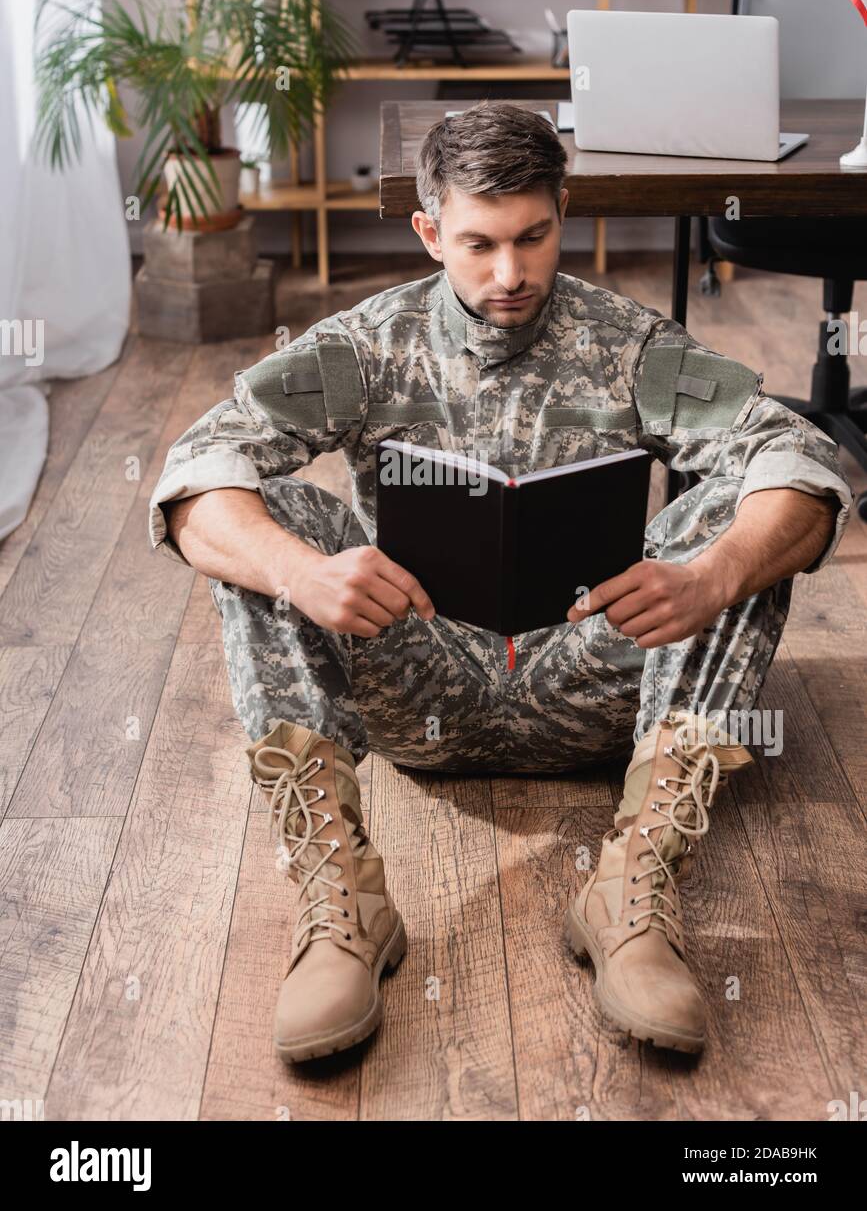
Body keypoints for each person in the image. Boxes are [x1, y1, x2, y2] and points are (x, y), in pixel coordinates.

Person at [148, 102, 852, 1061]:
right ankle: (344, 911)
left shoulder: (632, 344)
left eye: (534, 236)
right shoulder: (363, 344)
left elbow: (803, 461)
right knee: (283, 524)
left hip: (595, 682)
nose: (511, 273)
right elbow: (195, 471)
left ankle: (630, 897)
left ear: (563, 211)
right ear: (430, 231)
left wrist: (710, 574)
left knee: (738, 517)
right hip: (417, 686)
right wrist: (302, 574)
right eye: (477, 244)